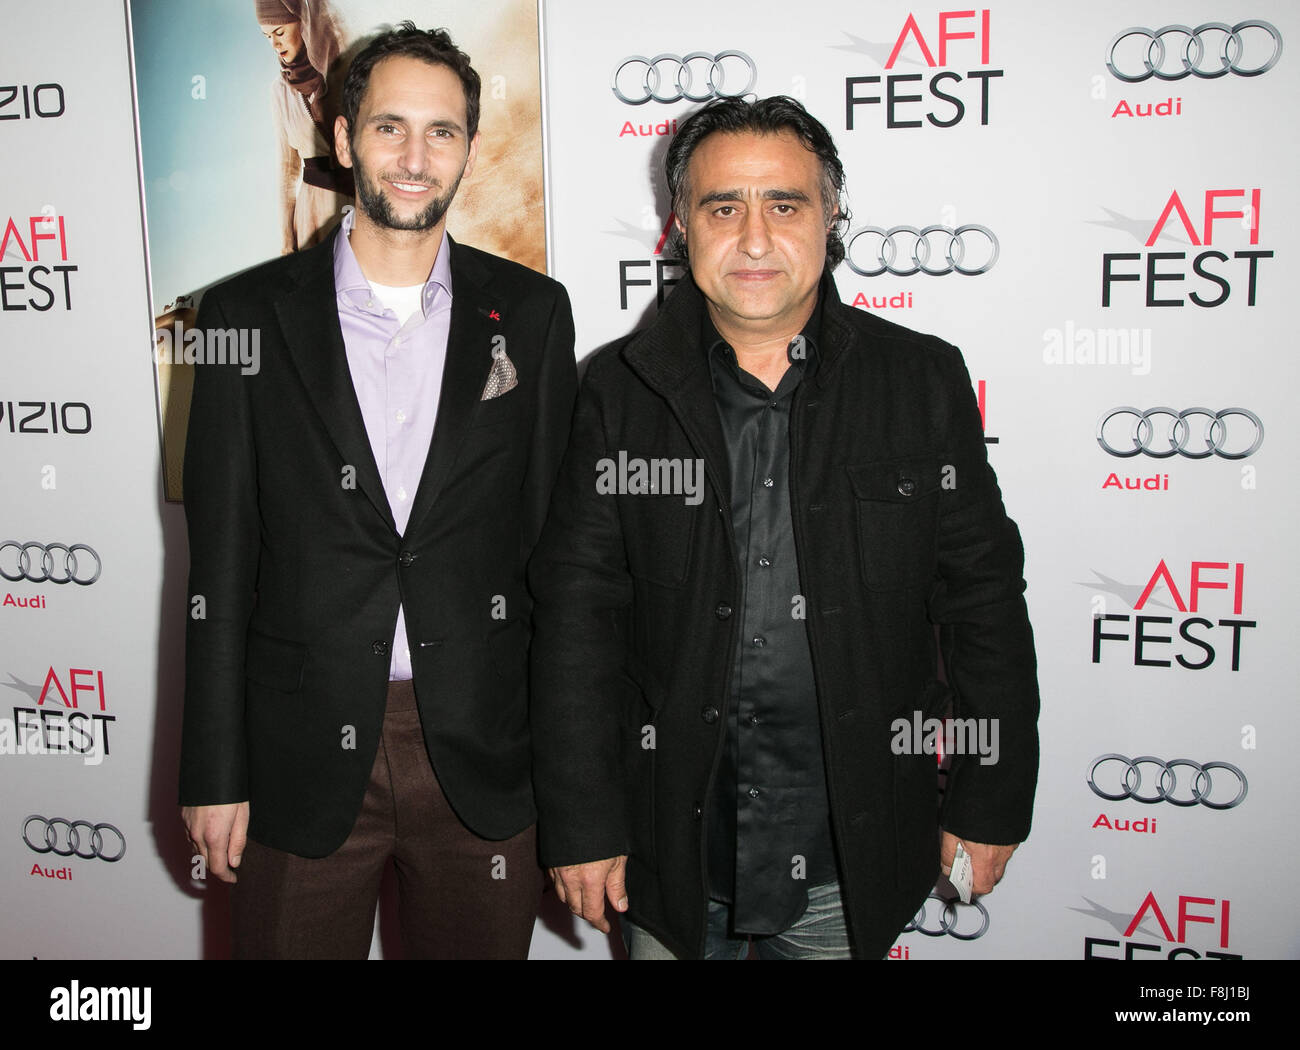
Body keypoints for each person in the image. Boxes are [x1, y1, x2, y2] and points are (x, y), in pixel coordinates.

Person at [529, 96, 1039, 959]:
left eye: (786, 205)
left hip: (852, 852)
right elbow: (578, 621)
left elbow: (983, 600)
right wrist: (582, 818)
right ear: (679, 225)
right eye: (723, 207)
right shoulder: (617, 395)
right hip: (671, 853)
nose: (755, 238)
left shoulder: (919, 382)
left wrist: (991, 797)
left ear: (833, 217)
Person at [180, 23, 576, 959]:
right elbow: (220, 565)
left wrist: (573, 776)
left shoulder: (531, 314)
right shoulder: (242, 317)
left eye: (441, 132)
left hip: (482, 749)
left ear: (470, 150)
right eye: (390, 127)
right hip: (298, 754)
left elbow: (557, 561)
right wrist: (213, 768)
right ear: (345, 135)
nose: (414, 157)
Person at [256, 0, 352, 253]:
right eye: (266, 36)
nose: (274, 45)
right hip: (312, 217)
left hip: (360, 210)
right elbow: (287, 170)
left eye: (280, 32)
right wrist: (288, 240)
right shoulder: (280, 91)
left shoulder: (350, 73)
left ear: (306, 24)